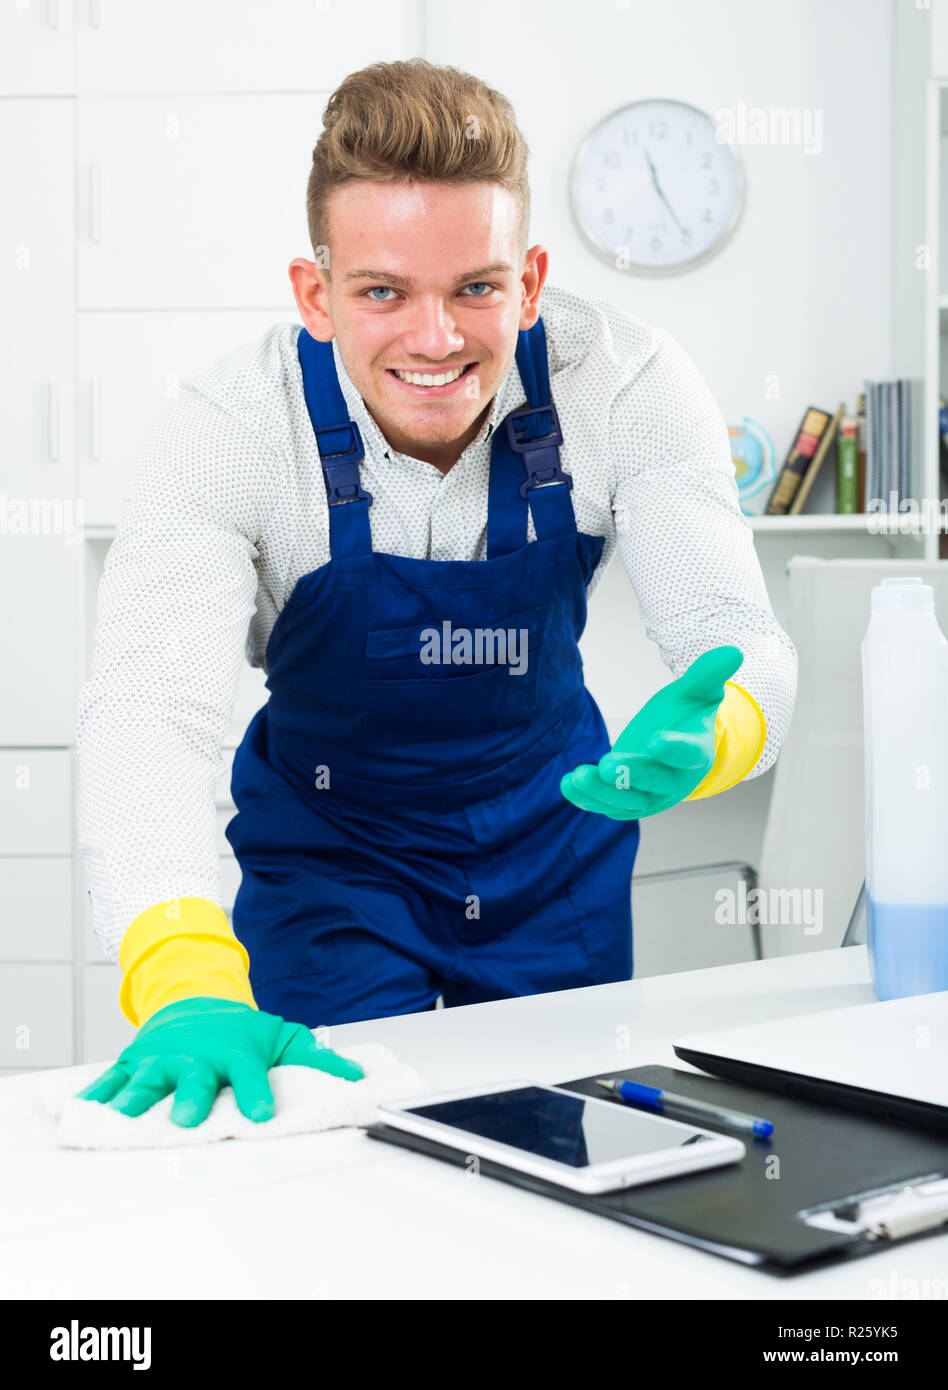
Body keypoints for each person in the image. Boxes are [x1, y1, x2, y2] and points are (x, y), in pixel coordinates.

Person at [74, 59, 797, 1128]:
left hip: (555, 850)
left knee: (554, 1158)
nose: (437, 338)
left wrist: (724, 729)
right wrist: (180, 969)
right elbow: (148, 715)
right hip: (332, 867)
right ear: (315, 295)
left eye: (477, 287)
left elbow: (741, 641)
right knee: (338, 1169)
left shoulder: (628, 386)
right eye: (382, 291)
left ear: (531, 282)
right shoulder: (226, 432)